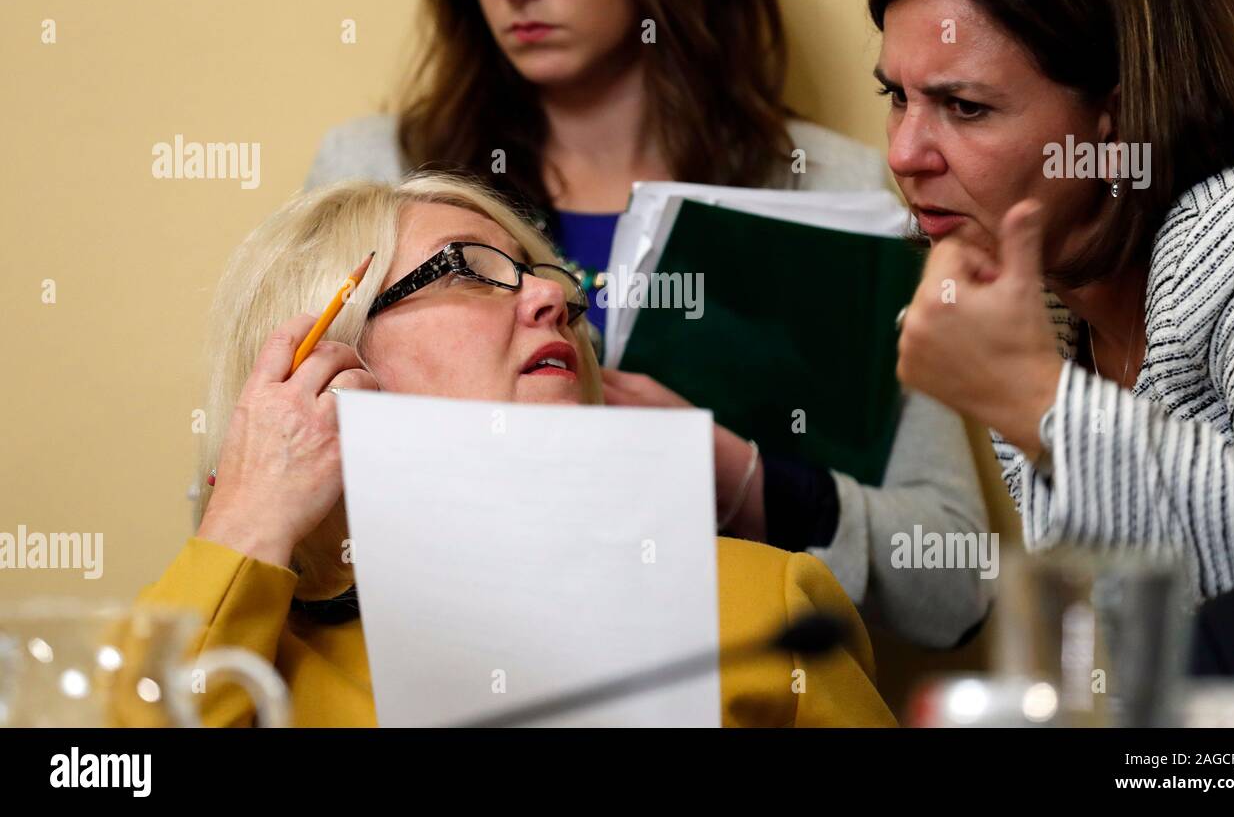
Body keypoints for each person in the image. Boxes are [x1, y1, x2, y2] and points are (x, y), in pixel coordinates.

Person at [305, 0, 991, 649]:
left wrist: (746, 484)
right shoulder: (374, 176)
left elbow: (957, 584)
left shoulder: (834, 189)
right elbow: (248, 505)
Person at [139, 174, 897, 727]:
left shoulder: (763, 604)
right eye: (469, 268)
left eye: (548, 281)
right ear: (326, 357)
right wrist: (246, 515)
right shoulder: (250, 653)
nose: (553, 300)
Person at [872, 0, 1234, 601]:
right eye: (897, 97)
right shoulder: (1046, 305)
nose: (905, 154)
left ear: (1117, 120)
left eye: (965, 107)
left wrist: (1032, 401)